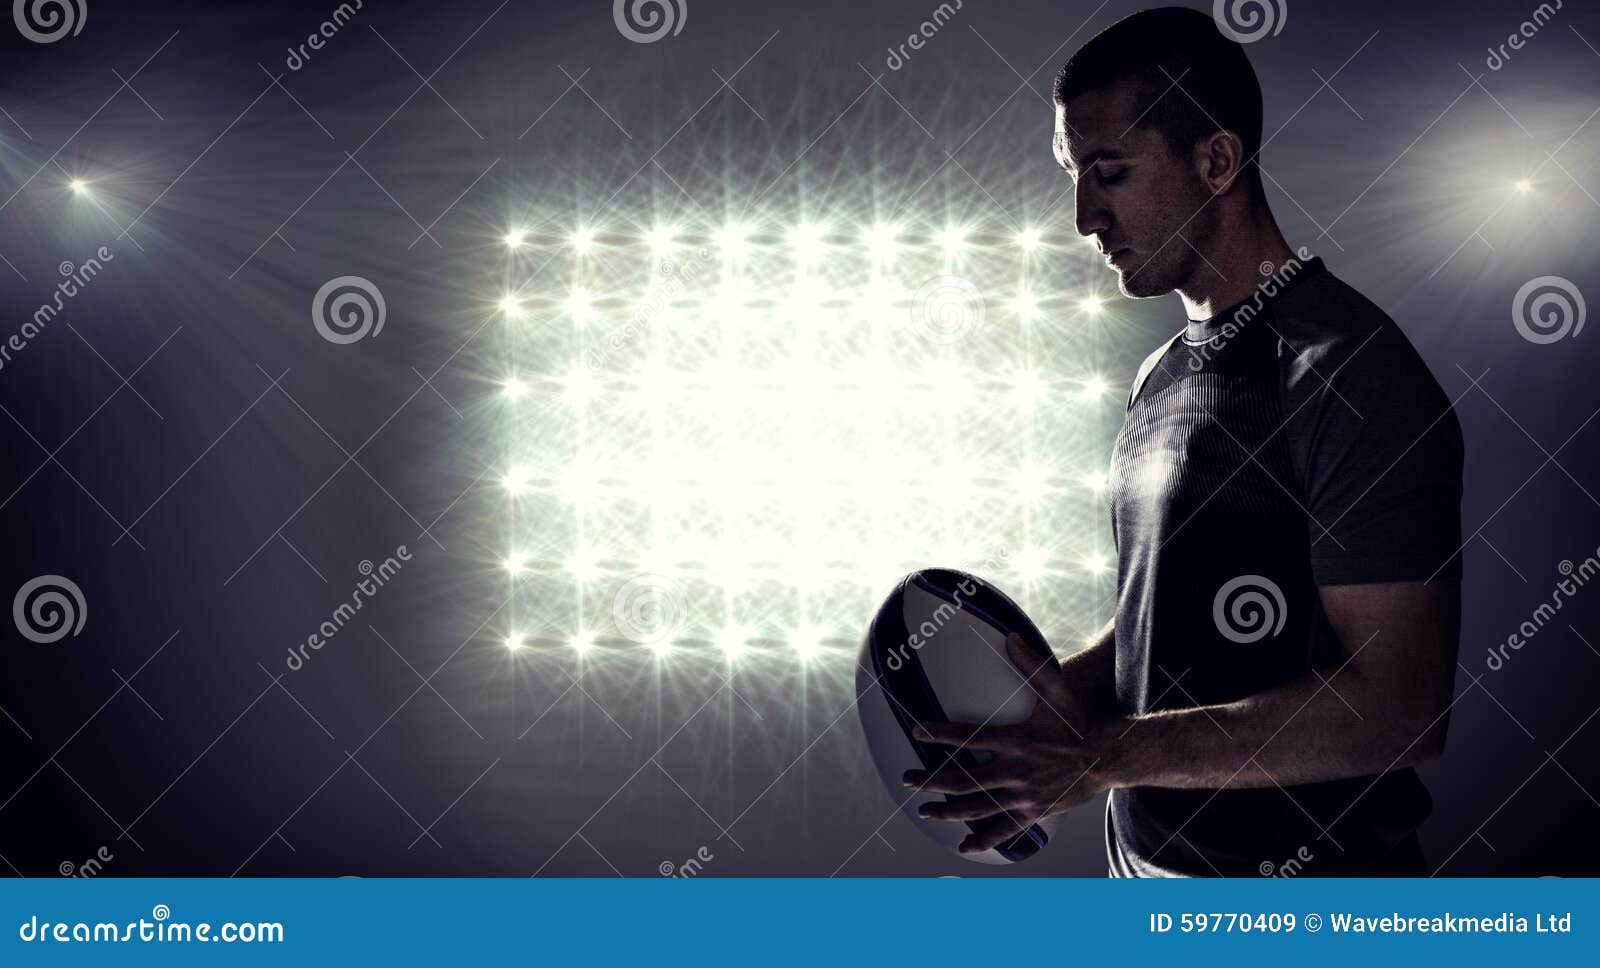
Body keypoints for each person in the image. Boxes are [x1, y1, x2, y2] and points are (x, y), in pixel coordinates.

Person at [903, 6, 1464, 876]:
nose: (1084, 216)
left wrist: (1103, 757)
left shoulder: (1348, 372)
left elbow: (1400, 709)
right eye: (1071, 174)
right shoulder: (1158, 376)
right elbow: (1168, 625)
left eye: (1109, 171)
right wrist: (1054, 706)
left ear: (1215, 161)